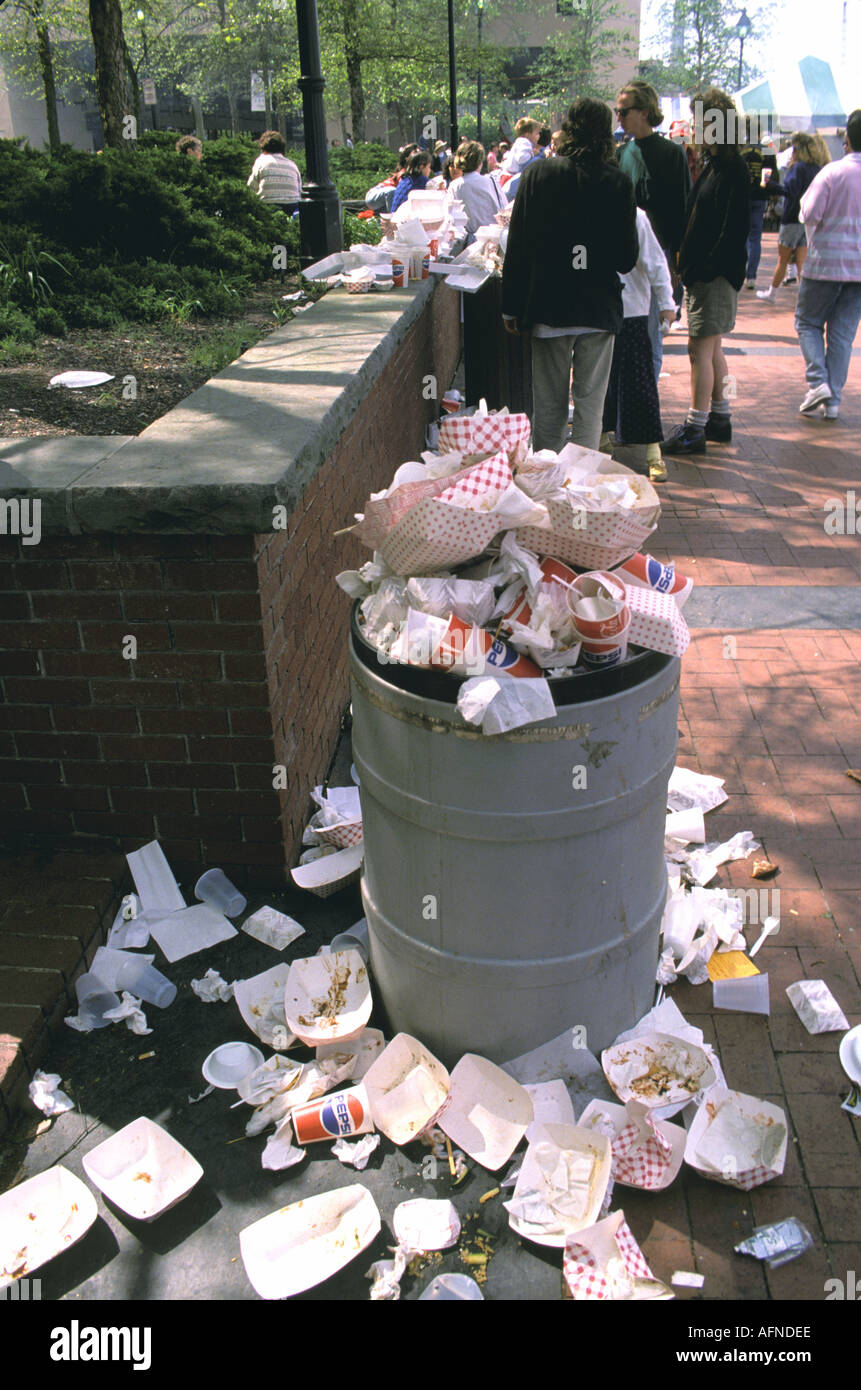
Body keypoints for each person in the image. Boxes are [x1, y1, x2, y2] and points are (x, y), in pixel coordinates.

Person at [501, 97, 639, 452]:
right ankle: (581, 485)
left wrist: (511, 306)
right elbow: (626, 258)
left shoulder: (537, 175)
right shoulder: (618, 182)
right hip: (598, 308)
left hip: (549, 307)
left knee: (548, 407)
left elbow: (519, 246)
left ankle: (548, 484)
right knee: (591, 407)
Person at [663, 88, 750, 456]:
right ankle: (718, 417)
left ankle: (697, 425)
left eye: (701, 120)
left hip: (713, 274)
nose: (696, 126)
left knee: (700, 347)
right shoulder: (720, 164)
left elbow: (731, 231)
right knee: (711, 346)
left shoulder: (730, 169)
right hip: (712, 272)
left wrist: (699, 268)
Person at [615, 80, 692, 381]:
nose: (619, 118)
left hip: (657, 254)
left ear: (644, 112)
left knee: (651, 336)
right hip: (624, 259)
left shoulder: (671, 153)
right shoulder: (622, 153)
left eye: (624, 112)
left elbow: (681, 210)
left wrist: (675, 262)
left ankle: (647, 401)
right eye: (616, 112)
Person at [601, 208, 677, 482]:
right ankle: (602, 437)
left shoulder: (635, 216)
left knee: (637, 382)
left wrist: (667, 303)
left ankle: (652, 450)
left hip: (628, 310)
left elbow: (656, 263)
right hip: (601, 310)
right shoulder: (589, 207)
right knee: (601, 380)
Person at [794, 109, 861, 418]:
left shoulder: (832, 173)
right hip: (858, 270)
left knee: (807, 322)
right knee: (842, 335)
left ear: (847, 138)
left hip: (824, 265)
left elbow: (808, 213)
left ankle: (818, 381)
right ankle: (832, 401)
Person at [756, 133, 823, 302]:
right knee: (802, 260)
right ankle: (804, 294)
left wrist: (770, 186)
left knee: (783, 259)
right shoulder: (816, 168)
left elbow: (789, 191)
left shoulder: (797, 168)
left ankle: (772, 292)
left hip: (792, 216)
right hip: (807, 217)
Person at [446, 140, 506, 238]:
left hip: (468, 241)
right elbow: (503, 207)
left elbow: (451, 218)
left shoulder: (455, 186)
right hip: (494, 236)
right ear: (480, 162)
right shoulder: (491, 181)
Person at [740, 135, 778, 288]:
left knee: (742, 235)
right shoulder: (766, 150)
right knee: (756, 237)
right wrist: (765, 188)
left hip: (743, 196)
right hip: (759, 197)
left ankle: (741, 271)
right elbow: (770, 174)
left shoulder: (742, 149)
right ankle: (751, 277)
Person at [247, 131, 302, 215]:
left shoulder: (261, 161)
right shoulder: (292, 165)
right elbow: (299, 190)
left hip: (268, 208)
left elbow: (250, 189)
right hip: (293, 208)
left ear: (262, 148)